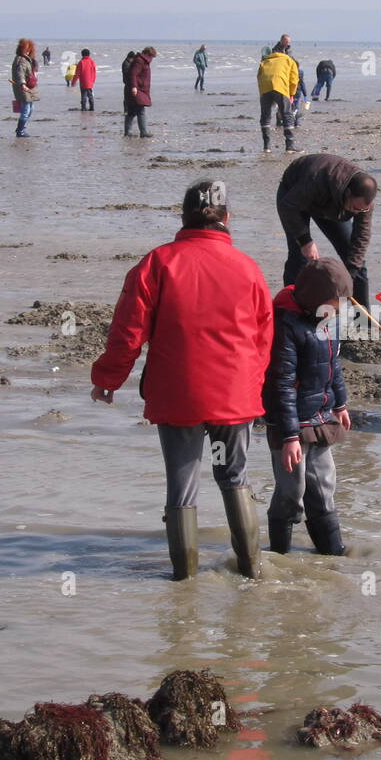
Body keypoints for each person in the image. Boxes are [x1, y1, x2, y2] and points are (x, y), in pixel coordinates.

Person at [89, 180, 273, 581]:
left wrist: (108, 378)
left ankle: (184, 584)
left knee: (183, 486)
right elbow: (263, 339)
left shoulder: (157, 263)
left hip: (180, 397)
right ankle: (252, 572)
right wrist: (253, 389)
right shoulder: (247, 268)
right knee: (233, 477)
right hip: (233, 398)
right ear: (226, 218)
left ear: (183, 215)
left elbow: (128, 332)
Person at [262, 258, 353, 557]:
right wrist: (289, 437)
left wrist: (340, 404)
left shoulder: (327, 321)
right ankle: (279, 556)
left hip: (322, 417)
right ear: (314, 298)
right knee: (292, 491)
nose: (337, 310)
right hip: (290, 425)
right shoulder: (286, 326)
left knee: (325, 486)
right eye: (333, 304)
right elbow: (281, 385)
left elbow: (333, 364)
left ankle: (332, 553)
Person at [276, 153, 376, 307]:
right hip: (293, 198)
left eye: (361, 210)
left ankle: (362, 321)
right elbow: (287, 206)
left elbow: (362, 234)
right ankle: (290, 313)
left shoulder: (364, 201)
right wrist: (305, 240)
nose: (357, 213)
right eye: (355, 208)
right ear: (348, 193)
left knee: (356, 261)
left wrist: (351, 272)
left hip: (329, 206)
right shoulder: (315, 178)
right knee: (299, 258)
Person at [257, 43, 300, 152]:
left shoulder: (266, 60)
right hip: (280, 87)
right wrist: (291, 94)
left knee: (265, 115)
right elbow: (294, 80)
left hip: (265, 87)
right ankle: (289, 146)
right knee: (287, 114)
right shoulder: (289, 60)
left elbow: (259, 76)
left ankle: (266, 147)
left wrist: (262, 92)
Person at [123, 46, 156, 137]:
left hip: (140, 89)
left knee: (132, 111)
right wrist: (134, 87)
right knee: (140, 110)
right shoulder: (139, 61)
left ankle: (128, 132)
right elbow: (133, 74)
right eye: (152, 57)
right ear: (149, 54)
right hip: (137, 89)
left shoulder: (143, 61)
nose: (152, 59)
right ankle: (143, 132)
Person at [11, 38, 38, 137]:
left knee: (30, 109)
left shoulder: (26, 59)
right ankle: (20, 131)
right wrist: (23, 84)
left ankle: (22, 128)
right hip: (23, 88)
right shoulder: (21, 60)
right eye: (26, 49)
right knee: (26, 109)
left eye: (29, 49)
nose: (28, 51)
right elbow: (20, 73)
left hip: (28, 87)